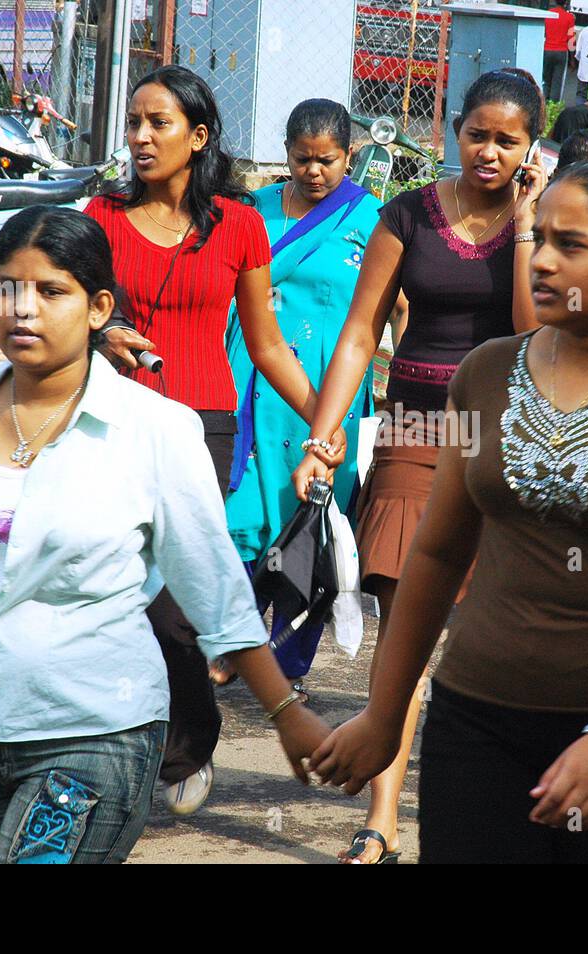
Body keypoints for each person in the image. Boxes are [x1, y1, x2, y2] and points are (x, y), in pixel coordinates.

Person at [306, 159, 588, 864]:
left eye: (572, 245)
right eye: (539, 239)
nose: (540, 261)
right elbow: (438, 555)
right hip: (475, 731)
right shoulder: (485, 373)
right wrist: (384, 715)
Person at [0, 206, 332, 863]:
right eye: (8, 288)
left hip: (97, 734)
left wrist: (286, 712)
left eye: (50, 291)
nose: (23, 309)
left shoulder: (154, 429)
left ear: (98, 308)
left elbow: (215, 590)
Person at [291, 70, 548, 863]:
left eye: (509, 140)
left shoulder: (550, 221)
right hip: (409, 432)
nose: (491, 152)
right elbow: (363, 333)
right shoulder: (407, 213)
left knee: (485, 640)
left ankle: (477, 814)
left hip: (506, 438)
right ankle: (381, 819)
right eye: (479, 134)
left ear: (532, 144)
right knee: (404, 633)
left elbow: (535, 333)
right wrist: (322, 435)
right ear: (455, 131)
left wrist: (530, 221)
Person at [84, 65, 341, 817]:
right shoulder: (97, 216)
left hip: (203, 430)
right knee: (109, 596)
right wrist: (103, 336)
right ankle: (109, 744)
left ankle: (190, 739)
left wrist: (323, 427)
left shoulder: (239, 225)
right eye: (133, 122)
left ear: (198, 137)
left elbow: (266, 345)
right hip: (109, 424)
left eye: (157, 123)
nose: (138, 136)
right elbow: (64, 308)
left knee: (178, 606)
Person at [224, 99, 382, 688]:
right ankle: (229, 645)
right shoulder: (252, 213)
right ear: (285, 153)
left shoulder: (373, 219)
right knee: (240, 513)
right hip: (255, 383)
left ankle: (285, 659)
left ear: (351, 155)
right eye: (301, 160)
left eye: (328, 161)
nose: (314, 172)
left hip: (329, 396)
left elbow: (398, 310)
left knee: (311, 520)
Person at [542, 2, 576, 104]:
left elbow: (543, 32)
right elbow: (571, 39)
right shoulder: (570, 17)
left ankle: (543, 103)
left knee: (546, 80)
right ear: (566, 2)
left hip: (547, 49)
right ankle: (553, 108)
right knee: (557, 82)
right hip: (561, 52)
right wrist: (572, 58)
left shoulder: (547, 14)